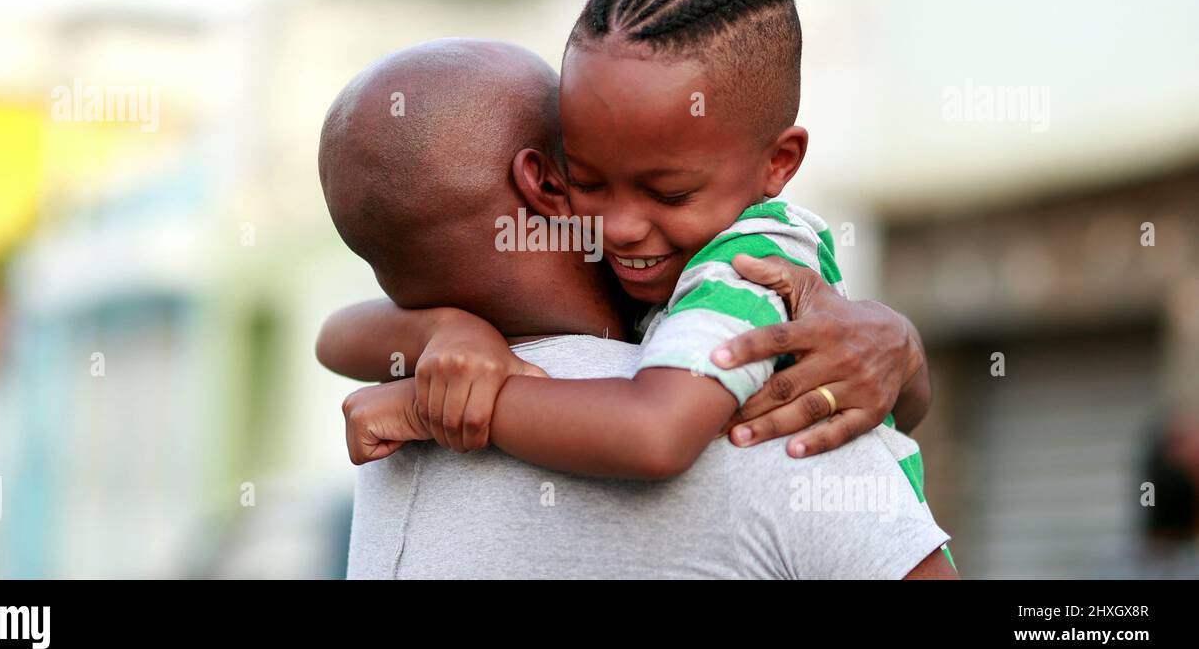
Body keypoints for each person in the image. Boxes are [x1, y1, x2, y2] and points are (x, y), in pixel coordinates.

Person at [318, 37, 955, 578]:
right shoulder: (776, 422)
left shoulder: (391, 447)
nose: (629, 222)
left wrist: (440, 341)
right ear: (547, 182)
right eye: (592, 161)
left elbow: (333, 337)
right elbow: (655, 435)